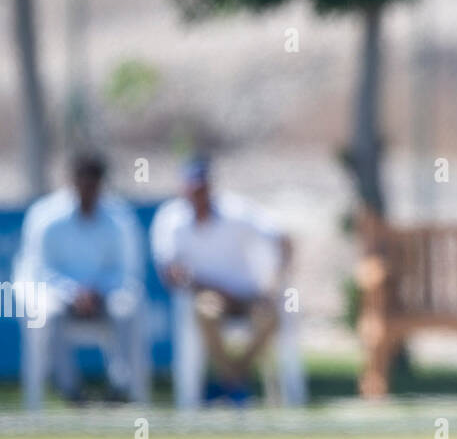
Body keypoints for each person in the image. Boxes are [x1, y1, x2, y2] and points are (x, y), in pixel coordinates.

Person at [150, 158, 304, 406]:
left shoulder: (236, 211)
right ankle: (236, 382)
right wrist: (214, 288)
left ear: (210, 187)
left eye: (202, 188)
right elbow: (171, 272)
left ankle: (230, 380)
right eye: (192, 188)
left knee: (270, 317)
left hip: (248, 294)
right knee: (206, 311)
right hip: (208, 294)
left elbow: (283, 239)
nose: (197, 195)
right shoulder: (171, 219)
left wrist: (275, 281)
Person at [17, 153, 146, 407]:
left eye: (94, 185)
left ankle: (120, 387)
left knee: (125, 309)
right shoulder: (47, 218)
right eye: (83, 183)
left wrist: (97, 291)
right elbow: (38, 270)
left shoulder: (117, 220)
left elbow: (124, 271)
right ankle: (70, 390)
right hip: (59, 297)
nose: (88, 190)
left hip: (104, 296)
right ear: (73, 182)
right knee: (48, 313)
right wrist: (73, 292)